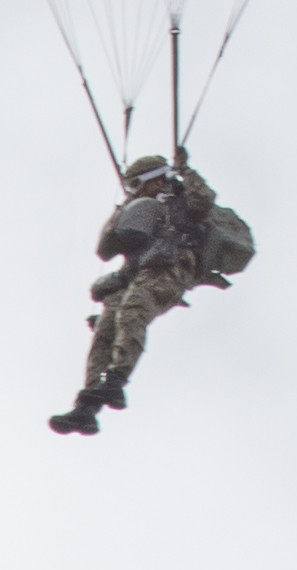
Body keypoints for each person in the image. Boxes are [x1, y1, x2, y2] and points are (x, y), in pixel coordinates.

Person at [49, 150, 253, 436]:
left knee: (133, 309)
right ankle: (87, 407)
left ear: (157, 180)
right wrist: (123, 210)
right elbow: (106, 250)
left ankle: (117, 380)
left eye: (136, 184)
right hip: (138, 272)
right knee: (106, 328)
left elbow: (203, 200)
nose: (134, 191)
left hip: (171, 269)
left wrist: (186, 171)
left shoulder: (182, 202)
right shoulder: (144, 209)